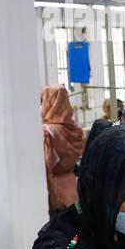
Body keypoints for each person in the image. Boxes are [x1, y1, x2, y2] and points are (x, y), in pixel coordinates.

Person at [40, 86, 85, 214]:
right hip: (72, 189)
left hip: (55, 193)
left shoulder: (47, 133)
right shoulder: (74, 130)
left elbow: (47, 168)